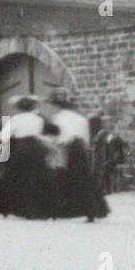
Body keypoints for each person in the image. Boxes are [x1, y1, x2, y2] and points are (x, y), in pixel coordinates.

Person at [43, 88, 110, 222]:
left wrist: (51, 147)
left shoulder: (58, 118)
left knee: (60, 180)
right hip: (80, 150)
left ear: (58, 106)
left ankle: (55, 212)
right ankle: (91, 211)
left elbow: (57, 137)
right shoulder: (81, 119)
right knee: (84, 180)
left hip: (66, 149)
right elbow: (86, 139)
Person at [0, 95, 54, 219]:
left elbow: (3, 137)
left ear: (19, 107)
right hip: (37, 148)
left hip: (22, 148)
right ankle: (39, 210)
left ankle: (4, 207)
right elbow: (45, 133)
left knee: (12, 175)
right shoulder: (38, 119)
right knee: (38, 177)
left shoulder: (16, 119)